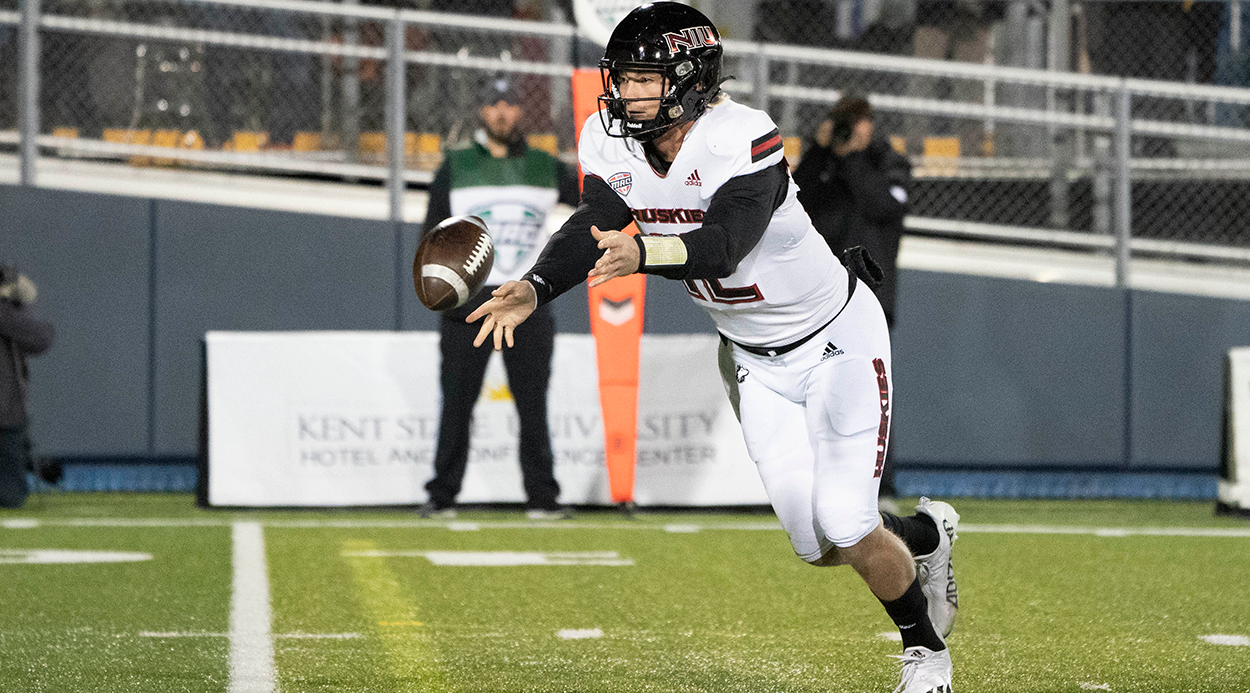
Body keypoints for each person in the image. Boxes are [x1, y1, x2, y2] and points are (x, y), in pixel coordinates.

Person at [465, 4, 960, 691]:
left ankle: (926, 653)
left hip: (834, 337)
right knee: (816, 544)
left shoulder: (742, 135)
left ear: (689, 77)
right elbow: (595, 221)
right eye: (623, 77)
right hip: (754, 358)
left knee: (847, 519)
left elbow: (725, 246)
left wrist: (642, 253)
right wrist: (536, 284)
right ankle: (927, 535)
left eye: (642, 78)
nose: (625, 93)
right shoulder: (609, 139)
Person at [419, 76, 580, 521]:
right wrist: (450, 298)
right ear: (482, 112)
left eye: (510, 104)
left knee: (533, 405)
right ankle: (442, 496)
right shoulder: (456, 165)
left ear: (521, 112)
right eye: (494, 105)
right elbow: (432, 237)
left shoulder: (547, 166)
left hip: (525, 302)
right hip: (470, 306)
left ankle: (542, 499)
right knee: (456, 403)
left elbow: (596, 205)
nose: (503, 112)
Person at [793, 94, 911, 512]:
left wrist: (851, 158)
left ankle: (882, 487)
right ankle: (816, 482)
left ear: (870, 125)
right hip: (819, 295)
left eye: (856, 123)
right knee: (813, 389)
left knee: (872, 391)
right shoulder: (823, 160)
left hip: (870, 296)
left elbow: (884, 206)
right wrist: (823, 152)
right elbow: (795, 203)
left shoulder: (887, 162)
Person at [0, 267, 55, 509]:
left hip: (7, 413)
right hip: (7, 413)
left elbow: (41, 339)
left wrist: (14, 302)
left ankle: (32, 466)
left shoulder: (8, 316)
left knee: (10, 498)